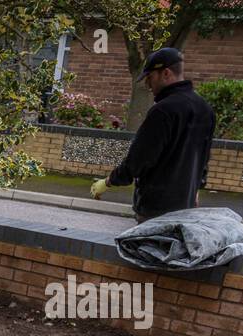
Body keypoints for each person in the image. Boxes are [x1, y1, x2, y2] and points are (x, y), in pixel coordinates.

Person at [90, 47, 215, 223]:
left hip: (155, 209)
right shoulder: (205, 109)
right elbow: (203, 156)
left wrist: (109, 181)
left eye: (150, 78)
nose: (148, 85)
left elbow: (139, 159)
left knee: (147, 250)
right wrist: (196, 188)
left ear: (165, 73)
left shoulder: (163, 110)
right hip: (185, 208)